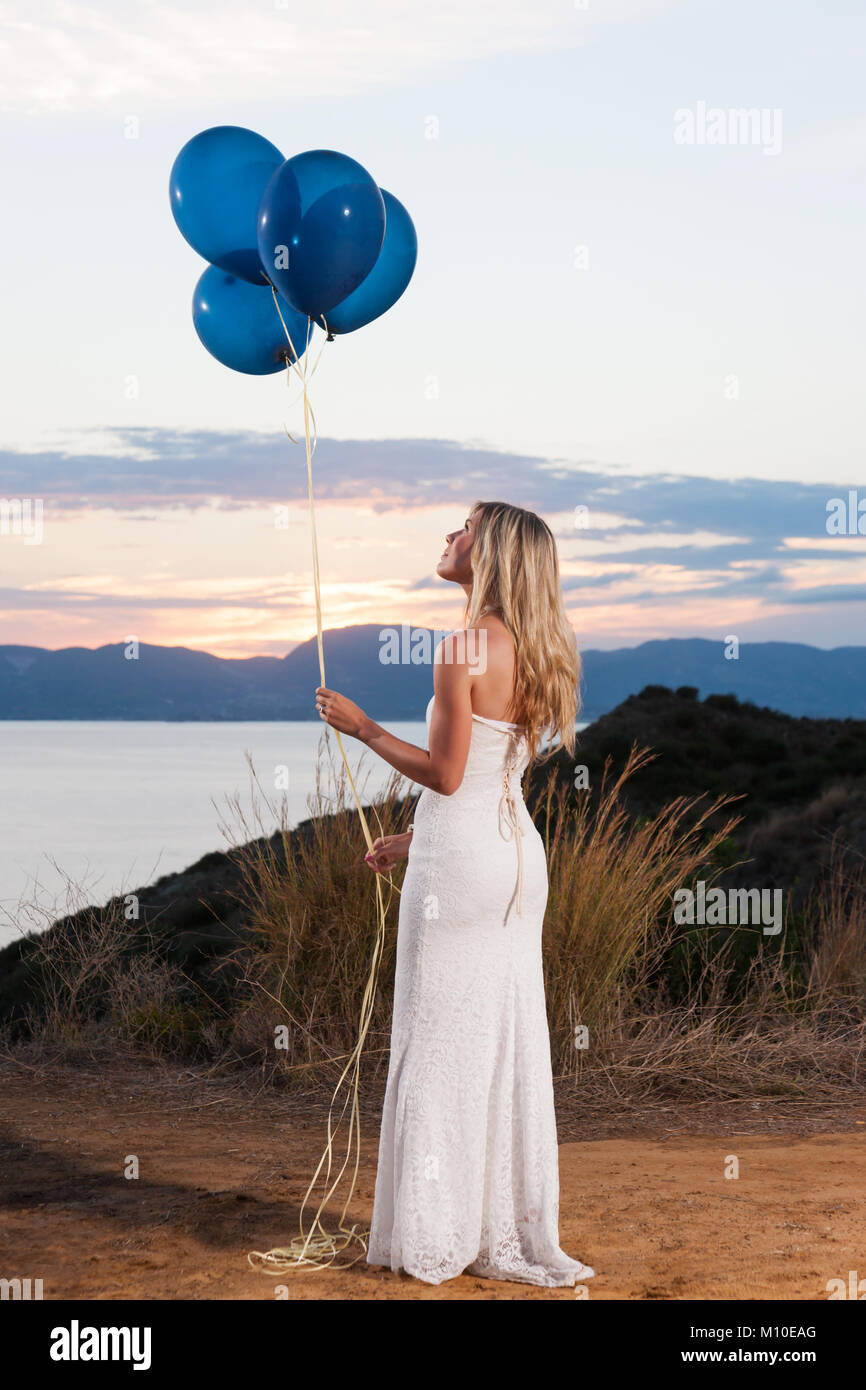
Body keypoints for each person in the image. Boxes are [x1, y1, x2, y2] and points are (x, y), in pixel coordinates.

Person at [313, 499, 595, 1287]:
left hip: (464, 864)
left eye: (465, 527)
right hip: (513, 860)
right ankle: (508, 1227)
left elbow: (443, 773)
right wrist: (418, 839)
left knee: (437, 1045)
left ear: (493, 552)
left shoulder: (461, 645)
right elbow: (488, 777)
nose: (449, 536)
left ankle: (435, 1235)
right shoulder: (541, 647)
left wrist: (362, 727)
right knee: (506, 1044)